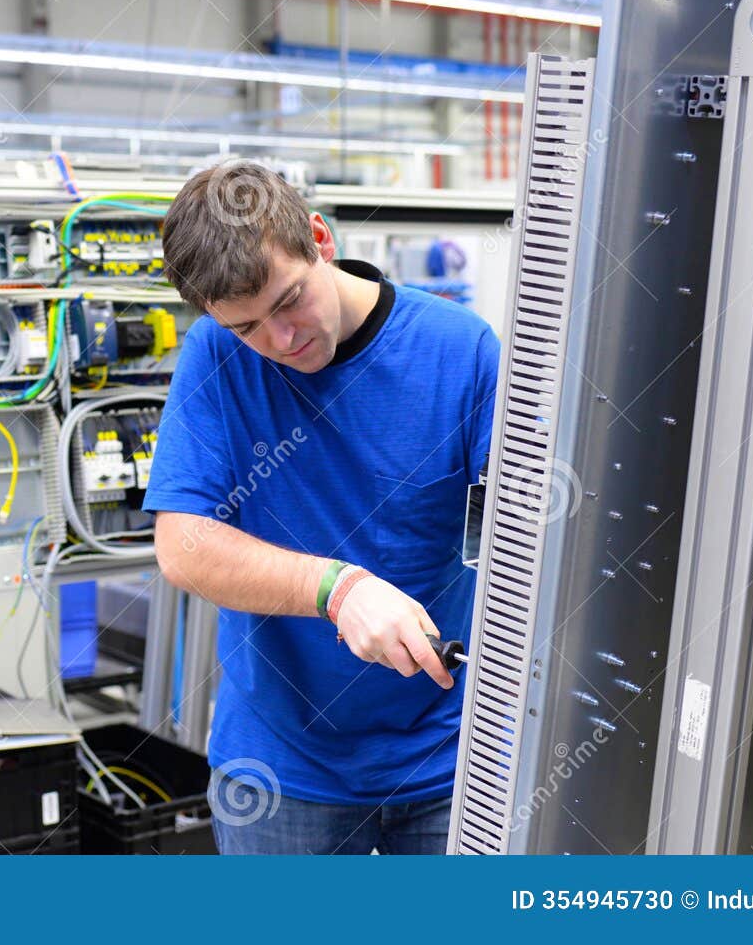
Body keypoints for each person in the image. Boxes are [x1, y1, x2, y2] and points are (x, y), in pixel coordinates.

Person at [141, 160, 499, 855]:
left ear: (319, 239)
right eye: (248, 327)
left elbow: (523, 539)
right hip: (280, 770)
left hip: (448, 758)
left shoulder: (460, 351)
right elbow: (182, 545)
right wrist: (339, 589)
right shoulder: (214, 356)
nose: (281, 342)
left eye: (288, 301)